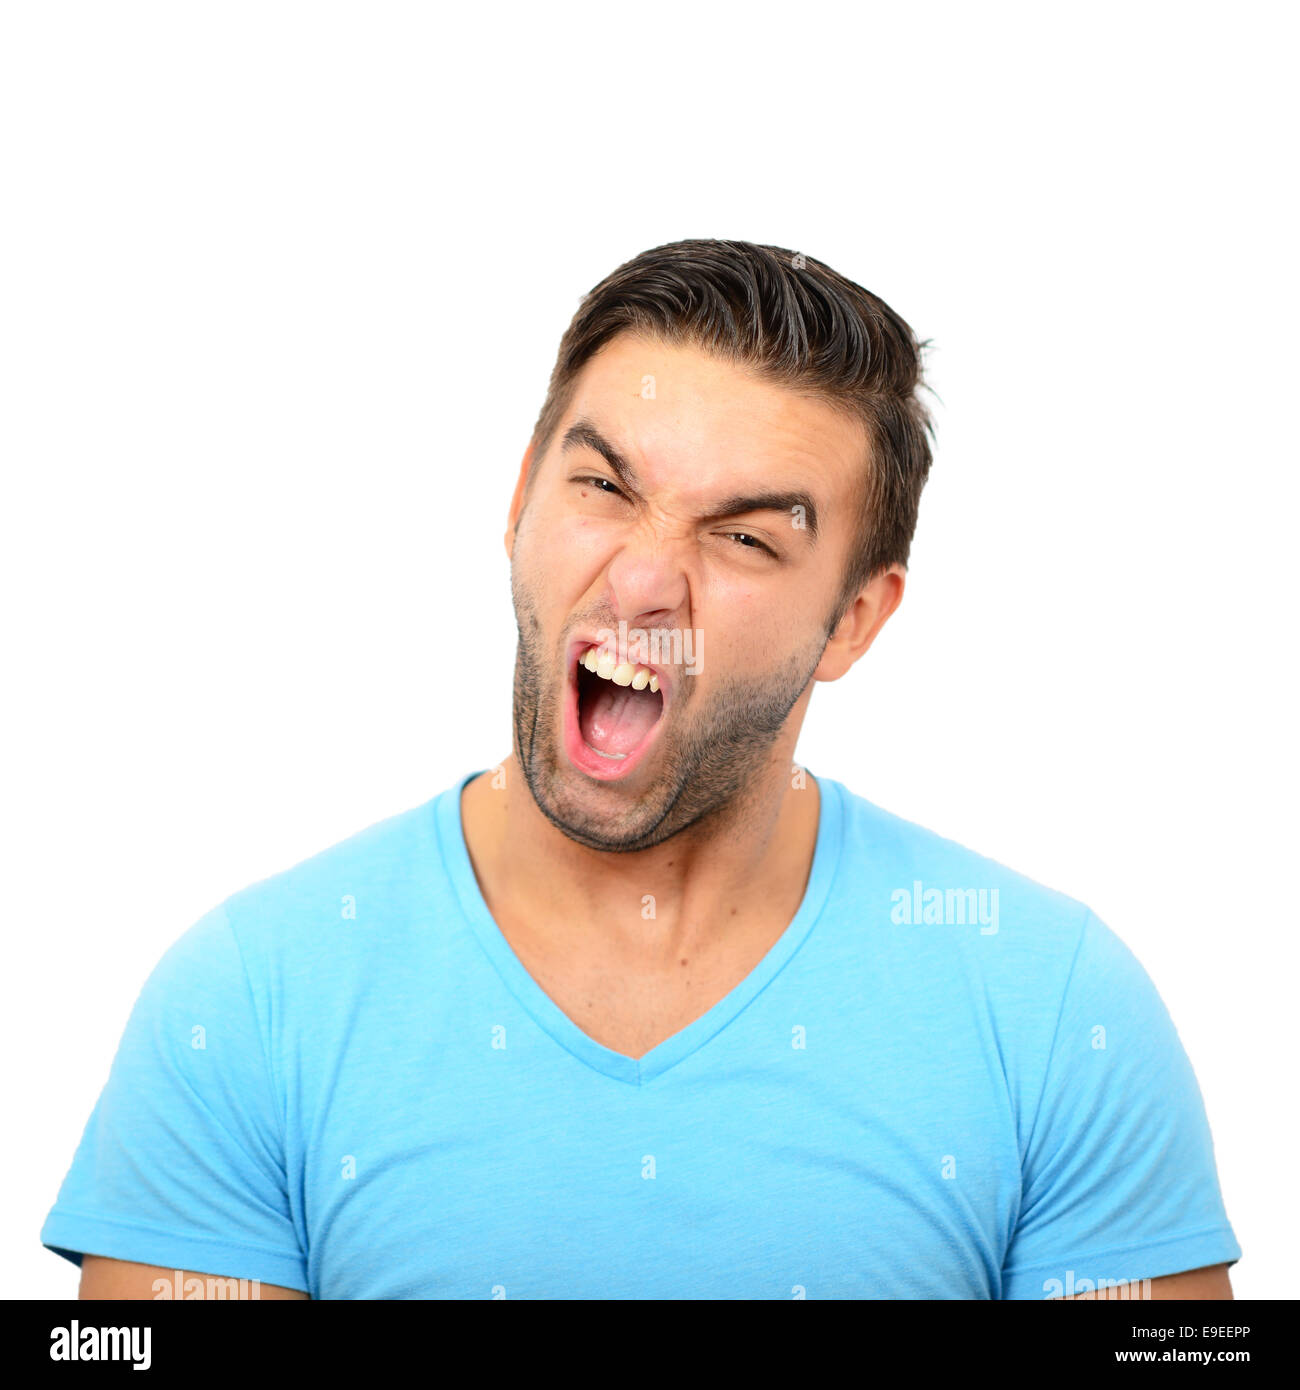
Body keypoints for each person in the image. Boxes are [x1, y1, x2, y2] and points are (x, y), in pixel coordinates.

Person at [43, 239, 1240, 1300]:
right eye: (604, 488)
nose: (639, 583)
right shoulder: (250, 1000)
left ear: (854, 622)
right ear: (518, 500)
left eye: (742, 538)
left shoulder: (1053, 1008)